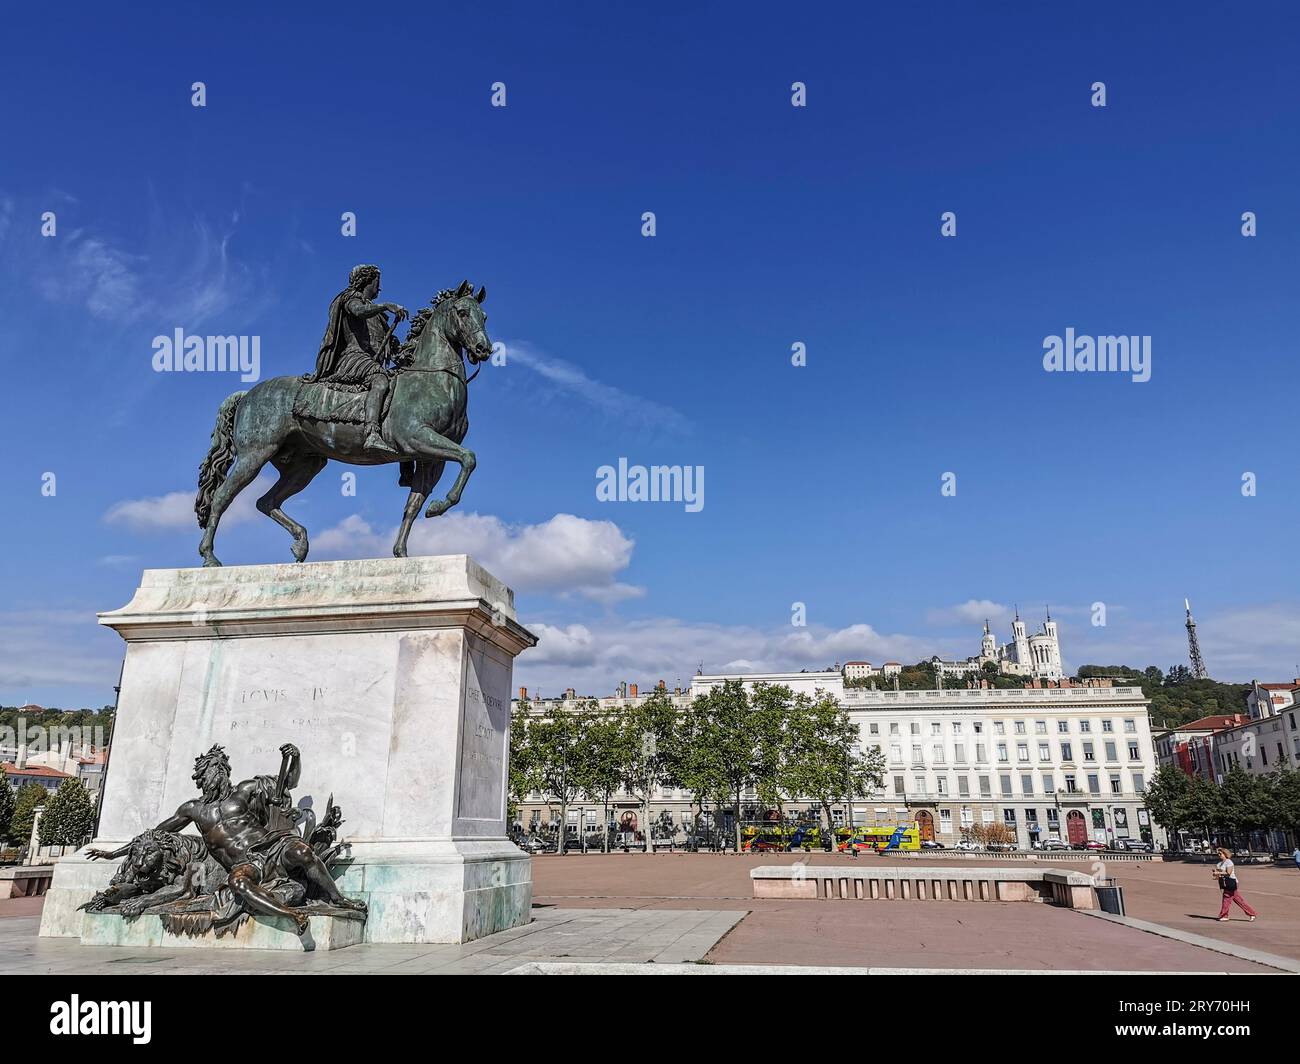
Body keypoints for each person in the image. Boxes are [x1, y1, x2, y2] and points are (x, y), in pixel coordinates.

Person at [305, 264, 409, 451]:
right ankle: (371, 434)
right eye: (378, 282)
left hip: (370, 361)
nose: (380, 287)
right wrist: (385, 305)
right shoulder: (350, 299)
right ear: (367, 281)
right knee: (380, 381)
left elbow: (391, 347)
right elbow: (359, 312)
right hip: (353, 358)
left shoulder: (377, 315)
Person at [1213, 847, 1258, 922]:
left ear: (1225, 853)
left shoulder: (1229, 862)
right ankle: (1252, 913)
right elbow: (1219, 876)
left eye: (1220, 853)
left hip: (1231, 882)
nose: (1219, 855)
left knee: (1226, 899)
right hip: (1225, 883)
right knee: (1238, 900)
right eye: (1218, 853)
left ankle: (1224, 915)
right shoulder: (1219, 864)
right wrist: (1216, 876)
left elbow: (1228, 873)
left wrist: (1218, 873)